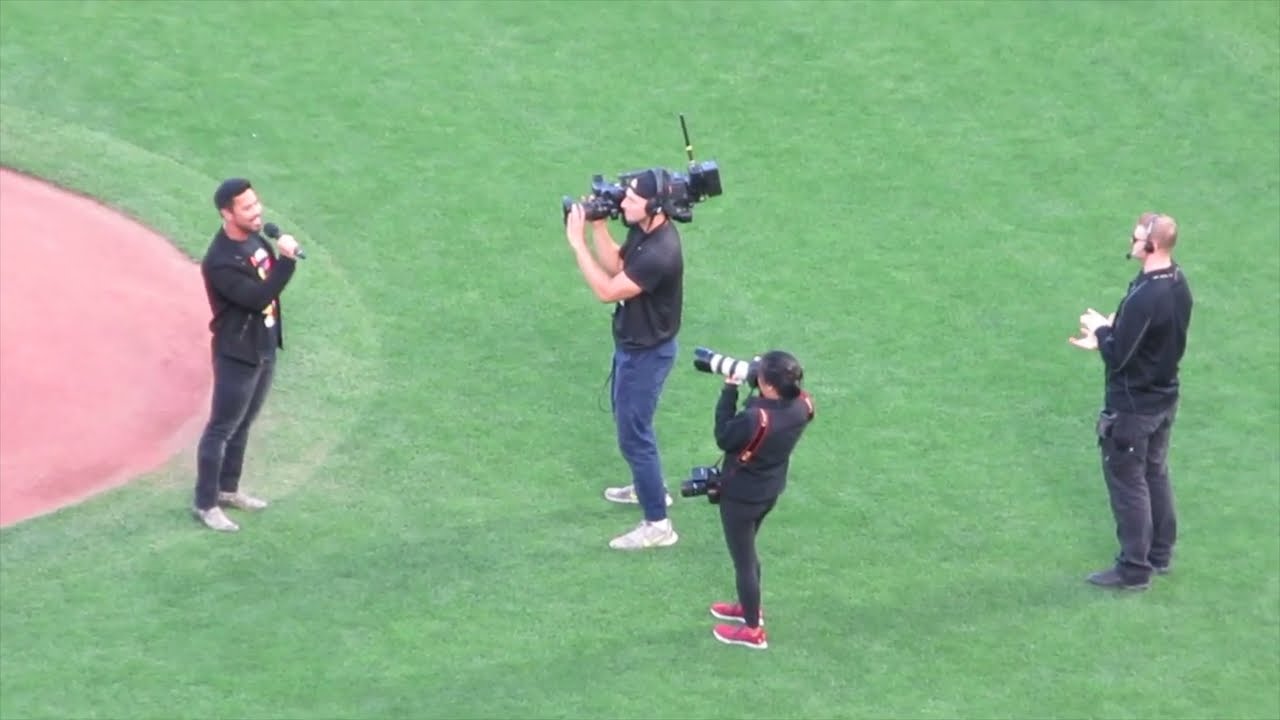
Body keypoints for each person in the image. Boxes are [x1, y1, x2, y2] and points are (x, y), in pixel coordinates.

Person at [1069, 212, 1193, 590]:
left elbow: (1119, 356)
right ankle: (1160, 554)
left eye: (1136, 237)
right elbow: (1153, 338)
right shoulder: (1178, 283)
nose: (1131, 241)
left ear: (1151, 245)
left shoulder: (1148, 295)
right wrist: (1113, 332)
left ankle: (1134, 569)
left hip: (1133, 406)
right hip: (1164, 397)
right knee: (1155, 473)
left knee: (1129, 483)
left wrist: (1103, 331)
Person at [564, 168, 684, 550]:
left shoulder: (661, 252)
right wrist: (598, 228)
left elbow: (608, 289)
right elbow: (619, 265)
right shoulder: (645, 230)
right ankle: (647, 486)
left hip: (646, 354)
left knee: (634, 438)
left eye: (632, 199)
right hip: (634, 347)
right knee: (631, 424)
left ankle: (658, 523)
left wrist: (578, 244)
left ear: (655, 206)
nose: (623, 202)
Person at [192, 178, 301, 532]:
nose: (257, 212)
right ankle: (205, 504)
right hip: (238, 353)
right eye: (247, 208)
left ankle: (228, 489)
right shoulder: (220, 262)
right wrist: (287, 261)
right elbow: (257, 298)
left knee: (244, 424)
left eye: (256, 204)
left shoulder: (256, 237)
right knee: (221, 429)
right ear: (227, 213)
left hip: (264, 345)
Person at [707, 351, 815, 649]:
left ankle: (753, 630)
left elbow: (724, 436)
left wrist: (730, 389)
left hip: (741, 496)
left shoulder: (756, 417)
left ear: (767, 385)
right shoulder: (803, 405)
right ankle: (748, 606)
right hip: (769, 490)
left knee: (744, 561)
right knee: (748, 552)